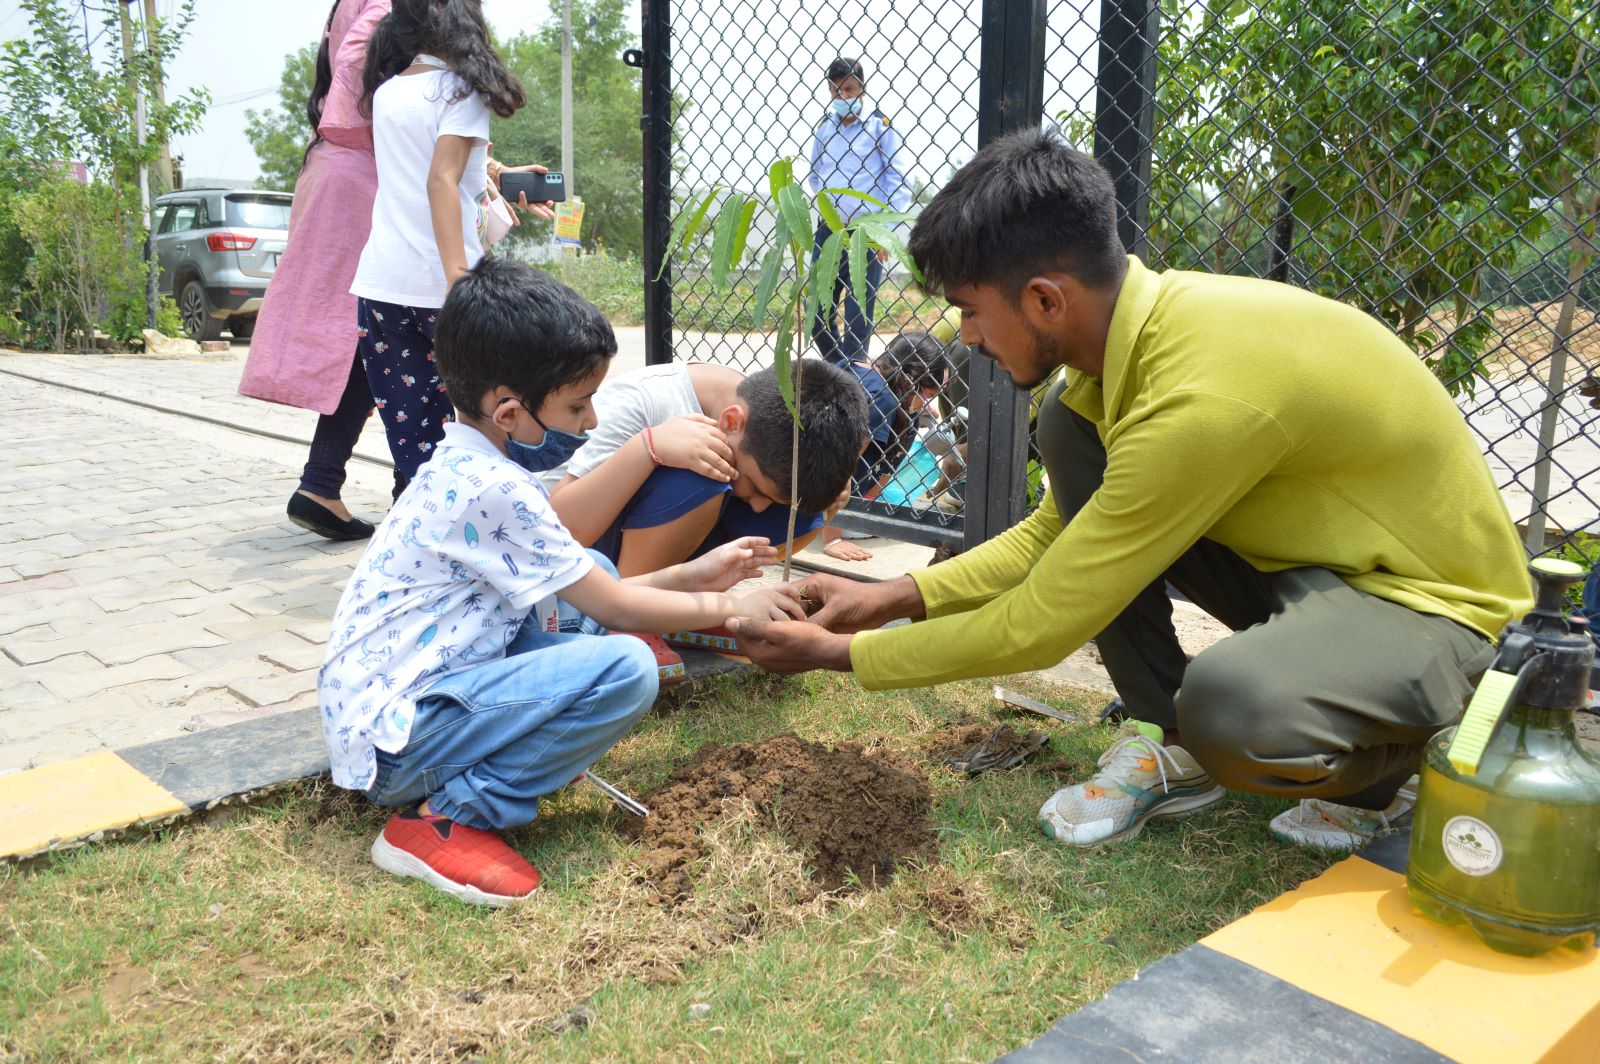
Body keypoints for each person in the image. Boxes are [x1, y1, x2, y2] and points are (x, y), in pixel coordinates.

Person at [729, 128, 1533, 856]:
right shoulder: (1117, 357)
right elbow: (1060, 535)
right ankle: (1173, 738)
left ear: (1046, 299)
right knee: (1069, 438)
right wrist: (895, 596)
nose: (965, 339)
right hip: (1323, 570)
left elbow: (1047, 622)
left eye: (970, 312)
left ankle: (1402, 766)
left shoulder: (1202, 395)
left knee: (1239, 710)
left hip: (1435, 610)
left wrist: (839, 654)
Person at [318, 258, 804, 906]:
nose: (594, 421)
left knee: (595, 570)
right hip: (400, 739)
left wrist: (694, 573)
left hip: (396, 702)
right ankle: (446, 819)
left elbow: (593, 588)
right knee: (626, 670)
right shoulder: (498, 491)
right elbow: (617, 612)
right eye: (577, 404)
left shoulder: (464, 461)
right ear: (511, 412)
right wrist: (730, 602)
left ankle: (481, 771)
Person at [348, 0, 552, 496]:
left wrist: (496, 172)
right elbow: (440, 179)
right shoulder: (462, 89)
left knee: (414, 439)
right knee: (492, 422)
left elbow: (429, 168)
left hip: (381, 286)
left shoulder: (388, 92)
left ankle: (421, 534)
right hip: (444, 288)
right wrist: (457, 277)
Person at [239, 0, 392, 540]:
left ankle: (321, 484)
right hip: (357, 172)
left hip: (341, 165)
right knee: (387, 330)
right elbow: (355, 57)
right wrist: (363, 127)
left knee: (366, 335)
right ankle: (404, 489)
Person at [549, 360, 869, 575]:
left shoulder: (767, 424)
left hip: (665, 556)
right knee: (700, 472)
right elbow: (555, 530)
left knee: (805, 505)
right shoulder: (643, 400)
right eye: (757, 489)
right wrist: (647, 449)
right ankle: (629, 615)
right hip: (582, 563)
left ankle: (683, 602)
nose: (758, 507)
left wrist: (836, 492)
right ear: (731, 422)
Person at [807, 56, 913, 560]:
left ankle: (854, 357)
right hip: (830, 224)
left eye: (852, 88)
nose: (845, 95)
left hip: (866, 227)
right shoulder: (824, 126)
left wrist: (884, 229)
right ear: (830, 90)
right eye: (838, 88)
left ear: (863, 88)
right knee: (822, 298)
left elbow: (895, 177)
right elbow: (815, 173)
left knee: (861, 299)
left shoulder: (879, 125)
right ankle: (834, 357)